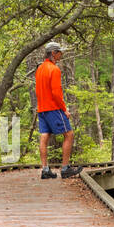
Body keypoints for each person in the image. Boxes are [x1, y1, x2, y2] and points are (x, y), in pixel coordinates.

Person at [35, 42, 81, 179]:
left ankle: (45, 170)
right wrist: (64, 109)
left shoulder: (40, 69)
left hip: (41, 108)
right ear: (53, 53)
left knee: (44, 136)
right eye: (60, 52)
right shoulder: (54, 69)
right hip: (53, 108)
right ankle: (65, 168)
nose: (62, 54)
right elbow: (56, 93)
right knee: (69, 134)